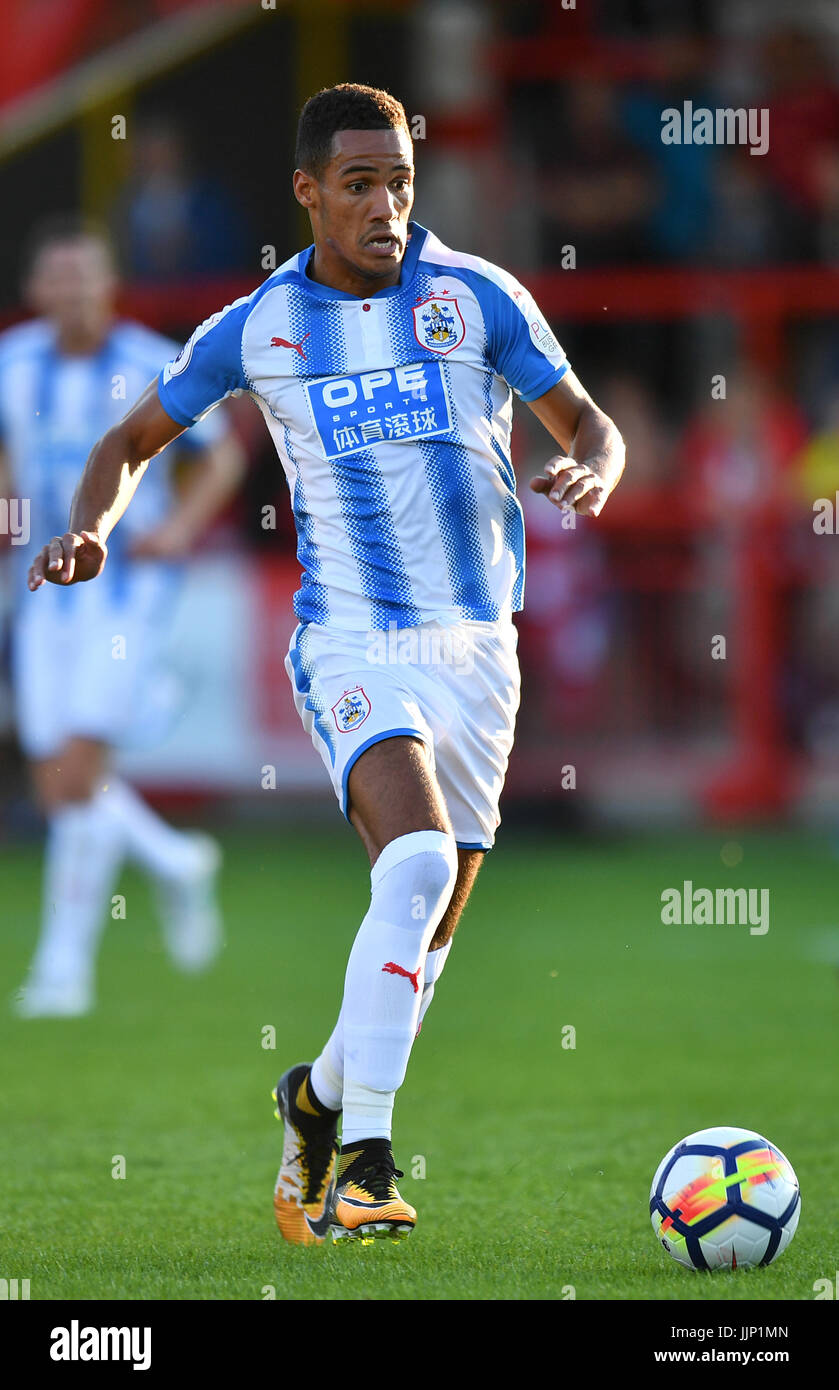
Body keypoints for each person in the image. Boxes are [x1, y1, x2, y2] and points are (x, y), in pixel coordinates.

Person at [27, 86, 625, 1241]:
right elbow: (129, 440)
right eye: (358, 184)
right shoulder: (260, 325)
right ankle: (365, 1162)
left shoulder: (479, 297)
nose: (385, 205)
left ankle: (311, 1098)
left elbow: (586, 422)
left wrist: (595, 467)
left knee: (428, 934)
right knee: (406, 867)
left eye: (399, 181)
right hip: (349, 639)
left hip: (477, 655)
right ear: (307, 192)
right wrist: (97, 523)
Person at [4, 216, 246, 1018]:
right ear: (37, 290)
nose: (73, 293)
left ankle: (63, 970)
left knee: (75, 774)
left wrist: (178, 531)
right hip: (40, 588)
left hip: (126, 589)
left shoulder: (150, 361)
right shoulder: (13, 364)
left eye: (86, 276)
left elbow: (223, 455)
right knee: (58, 783)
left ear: (108, 285)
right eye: (58, 278)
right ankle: (176, 862)